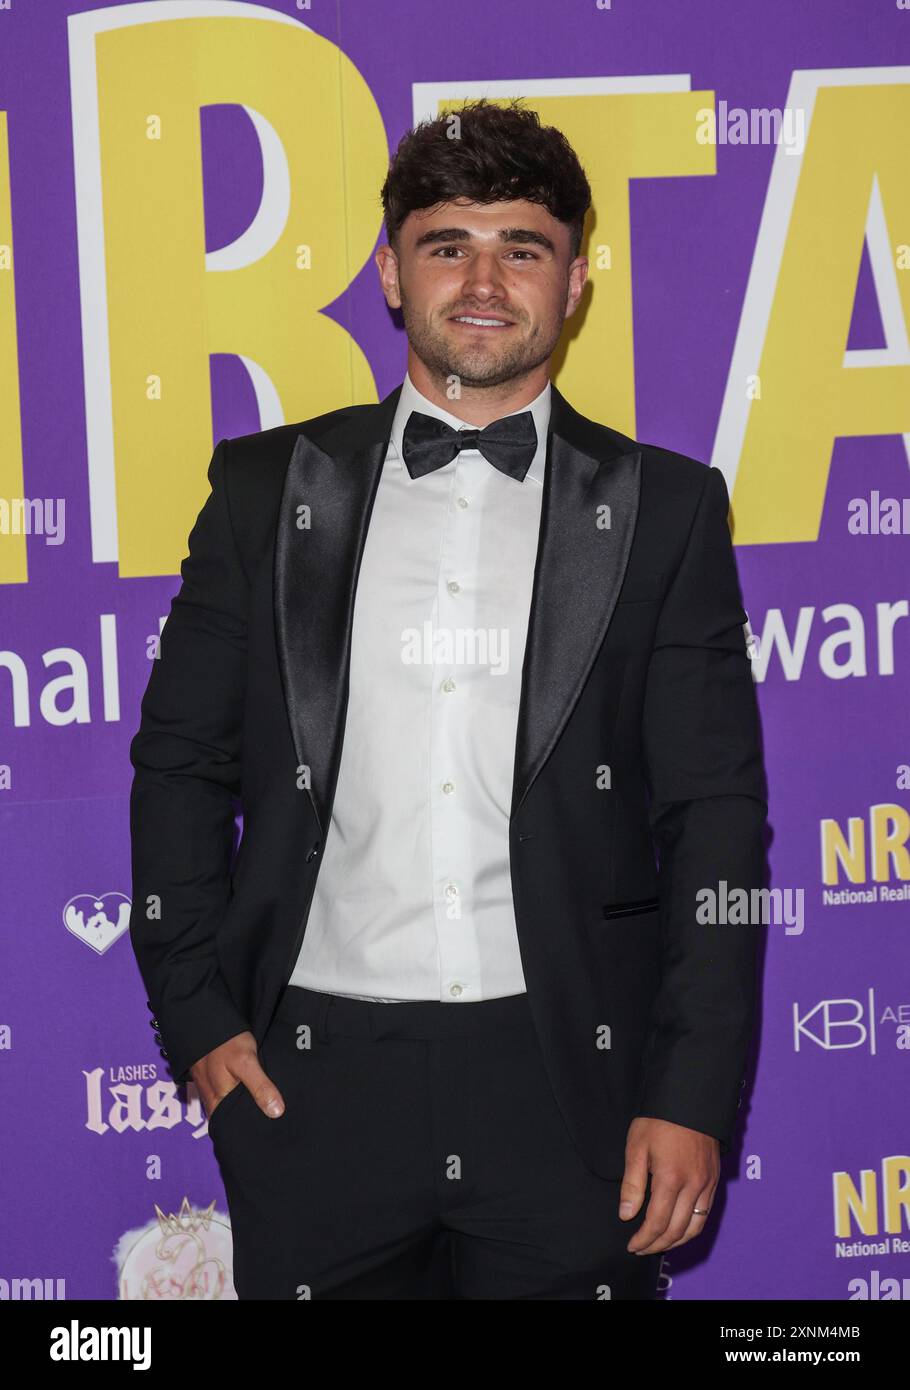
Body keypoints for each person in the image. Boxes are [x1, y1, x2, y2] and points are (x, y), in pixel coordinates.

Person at [129, 98, 768, 1300]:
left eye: (522, 247)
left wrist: (688, 1093)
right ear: (389, 271)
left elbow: (716, 824)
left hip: (567, 1075)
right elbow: (178, 764)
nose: (483, 280)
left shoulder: (665, 511)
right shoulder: (268, 493)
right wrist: (198, 1015)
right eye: (447, 245)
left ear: (573, 282)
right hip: (312, 1083)